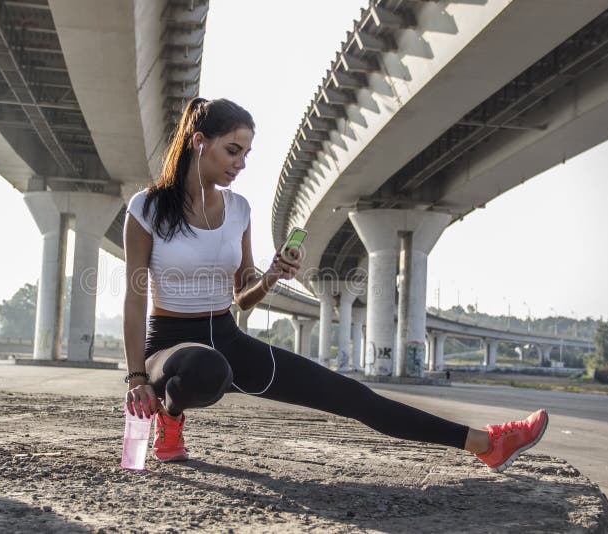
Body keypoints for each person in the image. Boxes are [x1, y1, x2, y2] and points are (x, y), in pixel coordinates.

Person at [122, 97, 547, 473]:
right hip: (171, 347)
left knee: (350, 394)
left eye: (247, 154)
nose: (241, 163)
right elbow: (135, 297)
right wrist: (137, 377)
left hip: (228, 338)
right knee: (204, 367)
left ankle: (487, 443)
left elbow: (242, 296)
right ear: (199, 141)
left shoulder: (240, 210)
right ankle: (171, 418)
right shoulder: (149, 207)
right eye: (233, 150)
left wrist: (272, 275)